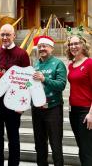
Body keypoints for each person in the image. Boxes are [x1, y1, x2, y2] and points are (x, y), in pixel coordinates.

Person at [0, 23, 30, 166]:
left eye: (8, 34)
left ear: (14, 36)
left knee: (13, 137)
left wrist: (22, 104)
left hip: (13, 101)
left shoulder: (22, 54)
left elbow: (27, 80)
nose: (5, 37)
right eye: (2, 34)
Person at [32, 35, 67, 166]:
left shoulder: (58, 63)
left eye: (45, 46)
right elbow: (32, 85)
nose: (42, 49)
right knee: (39, 145)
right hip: (37, 109)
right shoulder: (35, 64)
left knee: (55, 144)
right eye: (40, 47)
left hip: (53, 108)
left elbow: (61, 85)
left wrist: (44, 79)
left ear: (51, 48)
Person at [66, 34, 92, 166]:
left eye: (76, 43)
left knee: (87, 149)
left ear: (83, 45)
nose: (73, 46)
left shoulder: (90, 63)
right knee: (81, 146)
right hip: (73, 111)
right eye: (71, 44)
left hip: (86, 111)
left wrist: (91, 113)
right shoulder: (72, 65)